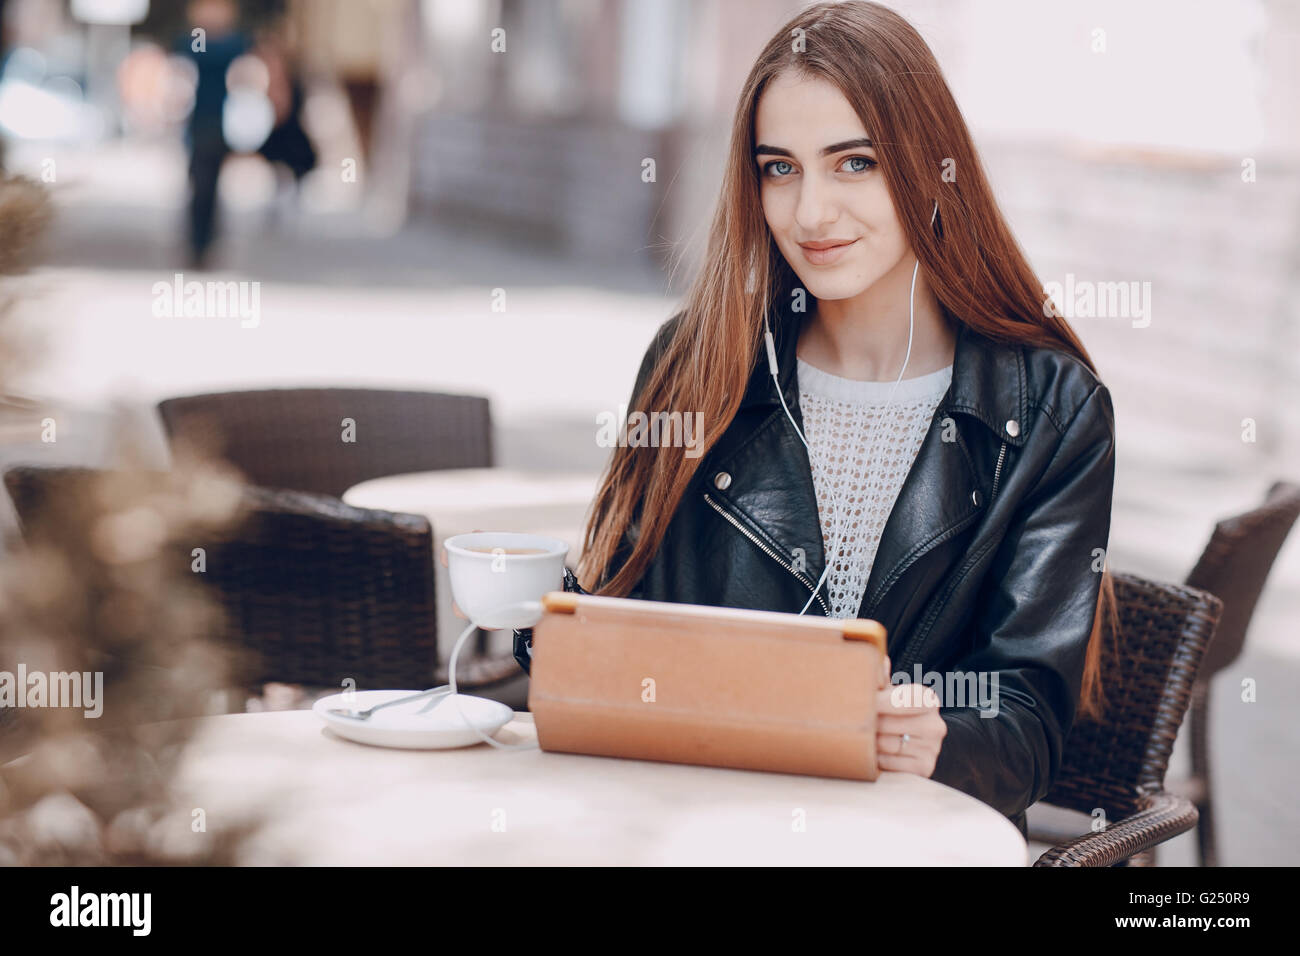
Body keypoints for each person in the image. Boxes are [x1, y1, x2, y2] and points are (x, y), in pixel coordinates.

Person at [535, 1, 1118, 839]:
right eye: (780, 168)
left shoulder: (1055, 413)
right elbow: (615, 615)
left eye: (854, 164)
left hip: (905, 843)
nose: (810, 214)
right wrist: (541, 624)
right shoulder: (695, 364)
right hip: (687, 827)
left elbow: (1028, 727)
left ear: (931, 166)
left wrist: (938, 741)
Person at [174, 0, 250, 267]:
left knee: (211, 186)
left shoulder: (236, 43)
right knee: (199, 185)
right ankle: (197, 242)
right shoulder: (198, 41)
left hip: (223, 125)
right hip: (197, 124)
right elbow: (189, 61)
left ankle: (206, 241)